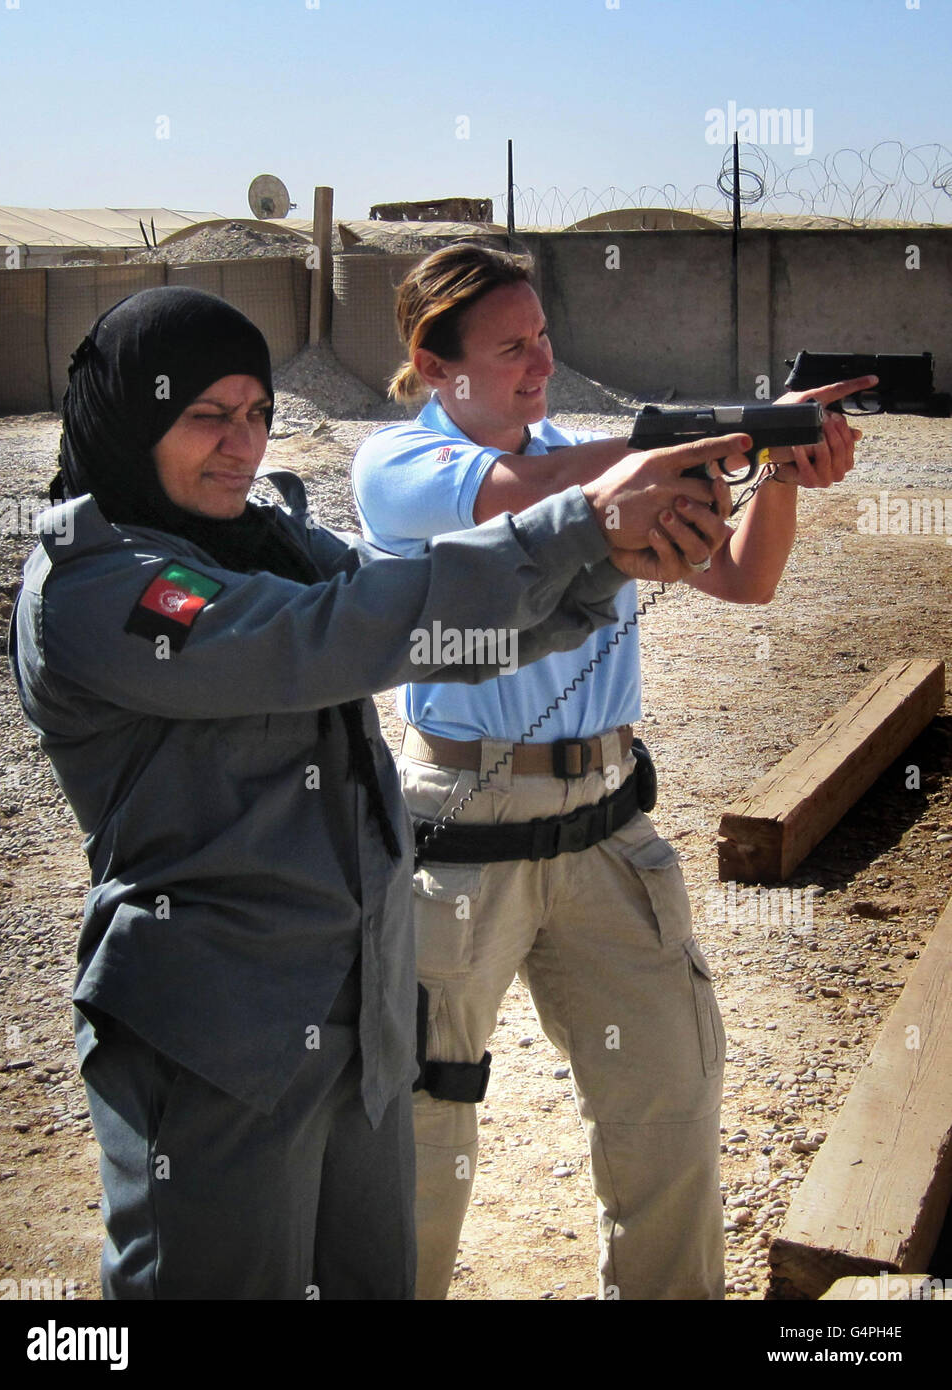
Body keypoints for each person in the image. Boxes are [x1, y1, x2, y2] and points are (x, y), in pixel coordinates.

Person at [8, 285, 746, 1300]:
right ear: (132, 420)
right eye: (205, 418)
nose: (242, 446)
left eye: (258, 413)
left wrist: (596, 572)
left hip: (357, 1018)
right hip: (217, 1039)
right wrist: (575, 527)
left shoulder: (260, 538)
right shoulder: (102, 587)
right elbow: (327, 638)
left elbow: (416, 623)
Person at [351, 242, 871, 1300]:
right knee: (421, 1133)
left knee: (668, 1108)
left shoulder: (582, 456)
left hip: (605, 815)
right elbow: (524, 493)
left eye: (543, 337)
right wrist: (717, 432)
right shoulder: (400, 467)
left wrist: (774, 469)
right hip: (463, 819)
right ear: (434, 361)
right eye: (510, 348)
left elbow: (747, 580)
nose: (540, 364)